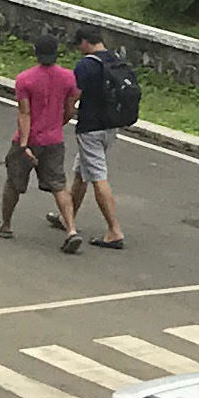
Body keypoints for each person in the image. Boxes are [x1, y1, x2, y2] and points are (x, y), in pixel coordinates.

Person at [54, 21, 140, 251]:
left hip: (91, 127)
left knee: (97, 176)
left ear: (84, 42)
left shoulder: (86, 66)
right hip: (112, 126)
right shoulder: (115, 59)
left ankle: (114, 230)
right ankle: (67, 216)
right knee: (82, 170)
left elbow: (73, 98)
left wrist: (62, 119)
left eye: (78, 45)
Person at [0, 33, 78, 245]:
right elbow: (70, 109)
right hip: (54, 140)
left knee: (13, 183)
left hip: (29, 140)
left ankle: (6, 225)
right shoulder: (68, 78)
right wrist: (57, 125)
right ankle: (71, 230)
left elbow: (25, 114)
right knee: (59, 185)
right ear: (56, 54)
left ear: (35, 53)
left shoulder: (25, 79)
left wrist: (25, 144)